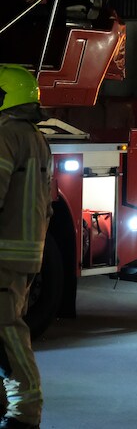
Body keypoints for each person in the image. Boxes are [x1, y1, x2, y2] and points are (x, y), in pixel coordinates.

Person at [0, 64, 53, 429]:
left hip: (4, 255)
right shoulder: (36, 138)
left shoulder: (5, 136)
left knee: (5, 333)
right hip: (25, 252)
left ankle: (23, 414)